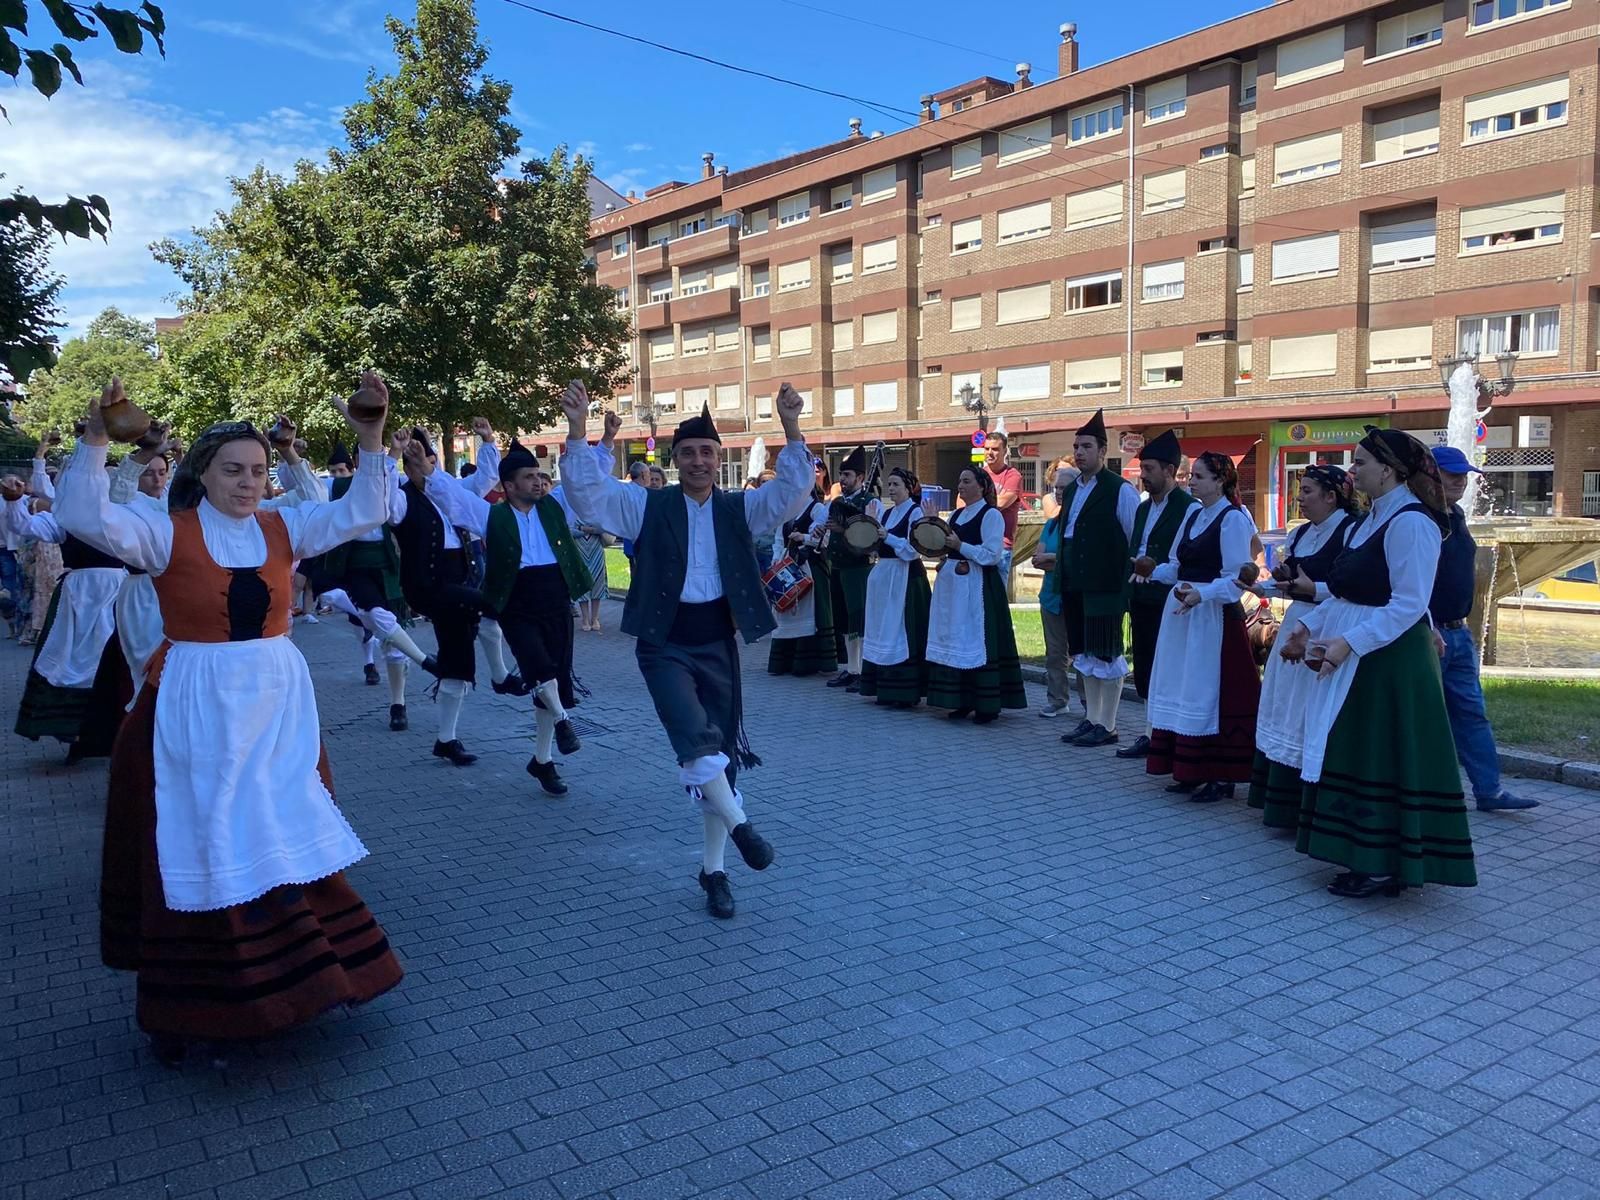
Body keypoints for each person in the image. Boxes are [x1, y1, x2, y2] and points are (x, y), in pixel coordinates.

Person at [52, 374, 403, 1062]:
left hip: (274, 699)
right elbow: (87, 518)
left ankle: (302, 977)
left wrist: (370, 438)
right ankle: (192, 1003)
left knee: (277, 823)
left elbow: (367, 508)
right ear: (202, 474)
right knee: (204, 833)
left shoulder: (284, 524)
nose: (248, 482)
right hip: (196, 700)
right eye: (233, 470)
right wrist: (97, 439)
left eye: (258, 470)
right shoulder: (164, 530)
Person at [559, 382, 811, 920]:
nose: (698, 460)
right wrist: (579, 430)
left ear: (720, 459)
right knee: (697, 746)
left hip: (718, 639)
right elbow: (588, 493)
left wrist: (791, 427)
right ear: (674, 461)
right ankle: (744, 831)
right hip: (663, 641)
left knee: (719, 758)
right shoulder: (644, 505)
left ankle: (713, 870)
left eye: (707, 452)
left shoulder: (742, 508)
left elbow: (793, 492)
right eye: (689, 453)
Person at [1281, 427, 1476, 898]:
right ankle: (1362, 855)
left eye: (1362, 462)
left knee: (1379, 758)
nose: (1354, 470)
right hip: (1365, 650)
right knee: (1358, 752)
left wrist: (1350, 642)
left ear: (1388, 470)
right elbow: (1351, 590)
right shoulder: (1372, 519)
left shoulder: (1411, 522)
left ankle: (1383, 863)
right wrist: (1312, 627)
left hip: (1389, 658)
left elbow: (1409, 603)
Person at [418, 438, 590, 796]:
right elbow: (454, 499)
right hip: (516, 603)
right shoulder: (492, 515)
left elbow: (582, 483)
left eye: (540, 476)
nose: (538, 482)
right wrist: (427, 468)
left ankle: (542, 761)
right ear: (508, 486)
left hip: (556, 600)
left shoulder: (555, 507)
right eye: (529, 477)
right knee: (539, 669)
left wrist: (595, 440)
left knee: (552, 680)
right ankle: (563, 720)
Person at [1139, 452, 1261, 802]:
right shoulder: (1194, 514)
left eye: (1199, 476)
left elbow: (1238, 580)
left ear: (1221, 481)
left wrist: (1201, 594)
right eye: (1190, 475)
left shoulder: (1232, 519)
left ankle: (1222, 775)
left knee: (1213, 693)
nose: (1191, 481)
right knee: (1183, 687)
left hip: (1215, 620)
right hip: (1183, 615)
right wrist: (1151, 569)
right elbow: (1179, 564)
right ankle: (1189, 768)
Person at [1246, 464, 1359, 828]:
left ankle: (1304, 804)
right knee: (1285, 705)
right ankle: (1279, 800)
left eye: (1308, 490)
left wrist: (1314, 589)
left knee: (1308, 708)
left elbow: (1352, 589)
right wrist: (1259, 586)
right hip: (1298, 620)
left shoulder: (1351, 531)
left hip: (1326, 624)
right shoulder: (1300, 534)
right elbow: (1290, 584)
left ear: (1332, 495)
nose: (1300, 498)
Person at [1429, 445, 1536, 813]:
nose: (1460, 480)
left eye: (1464, 474)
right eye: (1451, 473)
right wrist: (1427, 625)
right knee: (1424, 719)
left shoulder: (1455, 515)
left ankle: (1489, 791)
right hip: (1431, 636)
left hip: (1459, 635)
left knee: (1473, 715)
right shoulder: (1421, 519)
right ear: (1429, 474)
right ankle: (1419, 798)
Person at [316, 438, 441, 731]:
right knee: (374, 615)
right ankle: (425, 660)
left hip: (389, 564)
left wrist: (400, 452)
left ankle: (398, 704)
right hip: (355, 564)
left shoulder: (395, 483)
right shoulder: (338, 486)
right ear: (358, 462)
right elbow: (306, 486)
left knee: (390, 638)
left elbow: (427, 484)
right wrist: (290, 453)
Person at [5, 466, 123, 758]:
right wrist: (13, 500)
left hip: (118, 592)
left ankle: (111, 732)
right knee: (72, 660)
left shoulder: (122, 515)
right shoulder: (67, 519)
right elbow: (24, 526)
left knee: (113, 660)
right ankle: (75, 732)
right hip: (80, 596)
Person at [1051, 410, 1140, 747]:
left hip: (1105, 582)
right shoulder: (1072, 490)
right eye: (1076, 446)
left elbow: (1133, 539)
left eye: (1086, 446)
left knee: (1106, 653)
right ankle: (1091, 719)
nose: (1079, 452)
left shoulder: (1121, 490)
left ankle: (1109, 723)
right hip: (1075, 581)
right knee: (1084, 654)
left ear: (1103, 451)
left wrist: (1128, 583)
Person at [1116, 431, 1197, 758]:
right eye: (1141, 469)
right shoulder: (1142, 508)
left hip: (1171, 600)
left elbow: (1187, 558)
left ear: (1169, 470)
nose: (1143, 475)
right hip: (1141, 598)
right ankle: (1151, 732)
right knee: (1147, 666)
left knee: (1170, 668)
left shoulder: (1188, 508)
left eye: (1149, 469)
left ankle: (1170, 734)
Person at [925, 465, 1027, 722]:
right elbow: (943, 546)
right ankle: (961, 700)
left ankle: (986, 704)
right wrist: (933, 525)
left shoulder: (990, 515)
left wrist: (961, 546)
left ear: (981, 486)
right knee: (957, 638)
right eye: (960, 480)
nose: (961, 485)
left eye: (967, 481)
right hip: (955, 586)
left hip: (978, 585)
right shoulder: (957, 515)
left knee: (977, 639)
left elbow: (992, 554)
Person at [858, 467, 932, 708]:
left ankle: (906, 692)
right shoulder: (888, 514)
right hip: (885, 576)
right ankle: (885, 688)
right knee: (883, 630)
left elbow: (914, 549)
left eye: (896, 485)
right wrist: (869, 529)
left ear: (908, 488)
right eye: (889, 484)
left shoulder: (915, 511)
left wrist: (886, 535)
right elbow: (875, 545)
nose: (891, 489)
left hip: (906, 578)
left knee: (902, 630)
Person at [766, 459, 839, 679]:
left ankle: (806, 662)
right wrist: (777, 559)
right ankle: (785, 660)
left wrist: (804, 537)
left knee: (807, 611)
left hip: (809, 566)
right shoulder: (788, 510)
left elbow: (825, 539)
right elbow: (778, 537)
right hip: (788, 565)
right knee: (785, 610)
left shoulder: (817, 508)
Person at [825, 445, 873, 690]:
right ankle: (850, 668)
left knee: (858, 618)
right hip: (838, 566)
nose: (842, 480)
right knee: (843, 619)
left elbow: (870, 537)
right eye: (841, 475)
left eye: (847, 475)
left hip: (858, 567)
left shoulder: (870, 502)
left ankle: (862, 670)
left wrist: (843, 530)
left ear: (860, 478)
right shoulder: (838, 502)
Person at [1032, 463, 1078, 719]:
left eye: (1064, 487)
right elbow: (1039, 557)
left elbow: (1078, 558)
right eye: (1056, 488)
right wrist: (1055, 558)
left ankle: (1089, 703)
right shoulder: (1052, 523)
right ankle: (1058, 700)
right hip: (1050, 595)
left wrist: (1054, 558)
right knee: (1055, 653)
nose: (1059, 492)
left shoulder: (1081, 522)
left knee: (1081, 654)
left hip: (1074, 594)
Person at [983, 430, 1024, 585]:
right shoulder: (979, 473)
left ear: (1005, 451)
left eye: (995, 449)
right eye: (987, 449)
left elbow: (1001, 504)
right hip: (978, 543)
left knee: (997, 598)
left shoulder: (1013, 475)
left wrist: (975, 501)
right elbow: (961, 502)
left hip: (1001, 546)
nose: (990, 453)